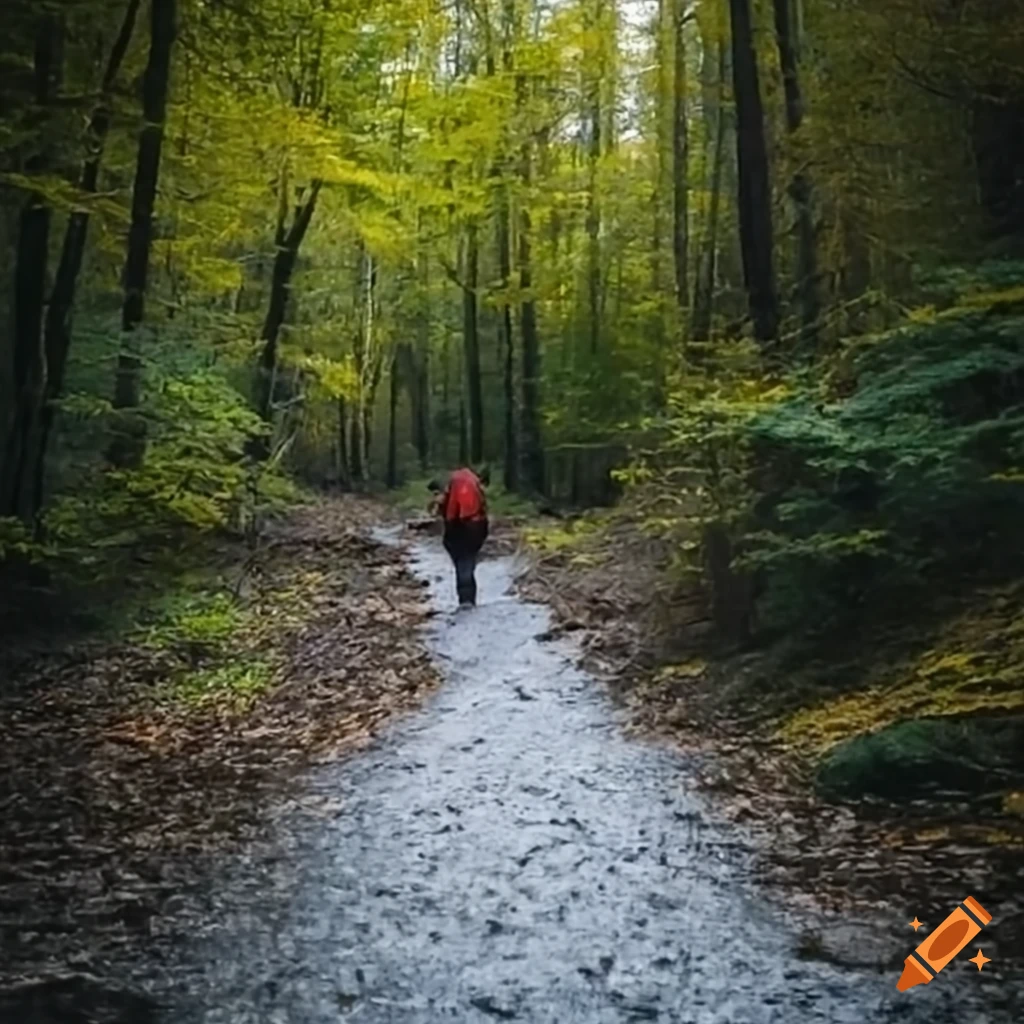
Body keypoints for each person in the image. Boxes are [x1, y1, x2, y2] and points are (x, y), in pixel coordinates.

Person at [429, 466, 489, 606]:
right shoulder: (470, 481)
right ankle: (468, 598)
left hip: (458, 527)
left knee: (462, 564)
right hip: (475, 526)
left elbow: (440, 507)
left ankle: (465, 600)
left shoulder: (454, 482)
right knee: (467, 562)